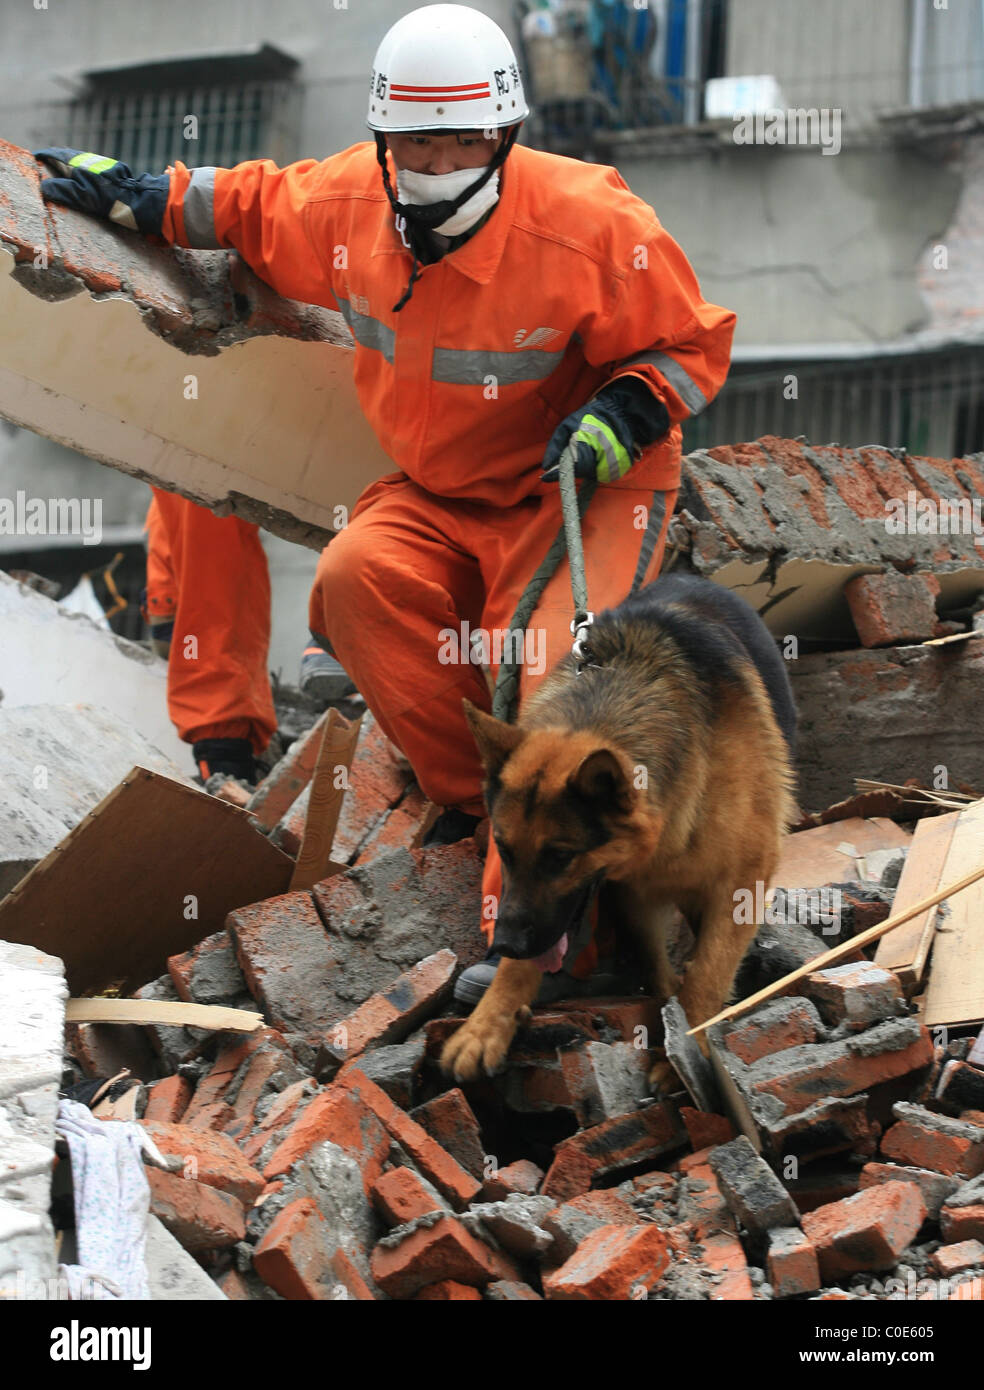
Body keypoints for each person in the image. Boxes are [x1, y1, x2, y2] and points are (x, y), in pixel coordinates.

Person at [35, 2, 735, 1001]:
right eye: (418, 138)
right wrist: (138, 194)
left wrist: (628, 406)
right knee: (354, 577)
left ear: (506, 133)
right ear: (383, 140)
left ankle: (532, 950)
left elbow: (693, 342)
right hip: (443, 489)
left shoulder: (592, 222)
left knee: (549, 689)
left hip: (585, 487)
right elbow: (244, 206)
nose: (441, 157)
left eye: (464, 136)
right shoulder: (347, 206)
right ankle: (487, 817)